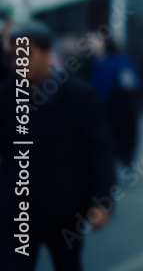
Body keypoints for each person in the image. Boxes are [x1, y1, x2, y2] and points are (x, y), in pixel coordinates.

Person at [1, 21, 117, 271]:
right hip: (17, 210)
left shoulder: (79, 95)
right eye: (13, 56)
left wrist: (102, 200)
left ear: (46, 53)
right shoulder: (7, 96)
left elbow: (99, 149)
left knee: (67, 264)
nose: (19, 63)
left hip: (65, 209)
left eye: (26, 55)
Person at [91, 36, 143, 165]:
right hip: (125, 107)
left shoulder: (101, 63)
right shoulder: (122, 60)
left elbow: (95, 87)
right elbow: (132, 83)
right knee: (127, 138)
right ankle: (126, 161)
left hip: (109, 108)